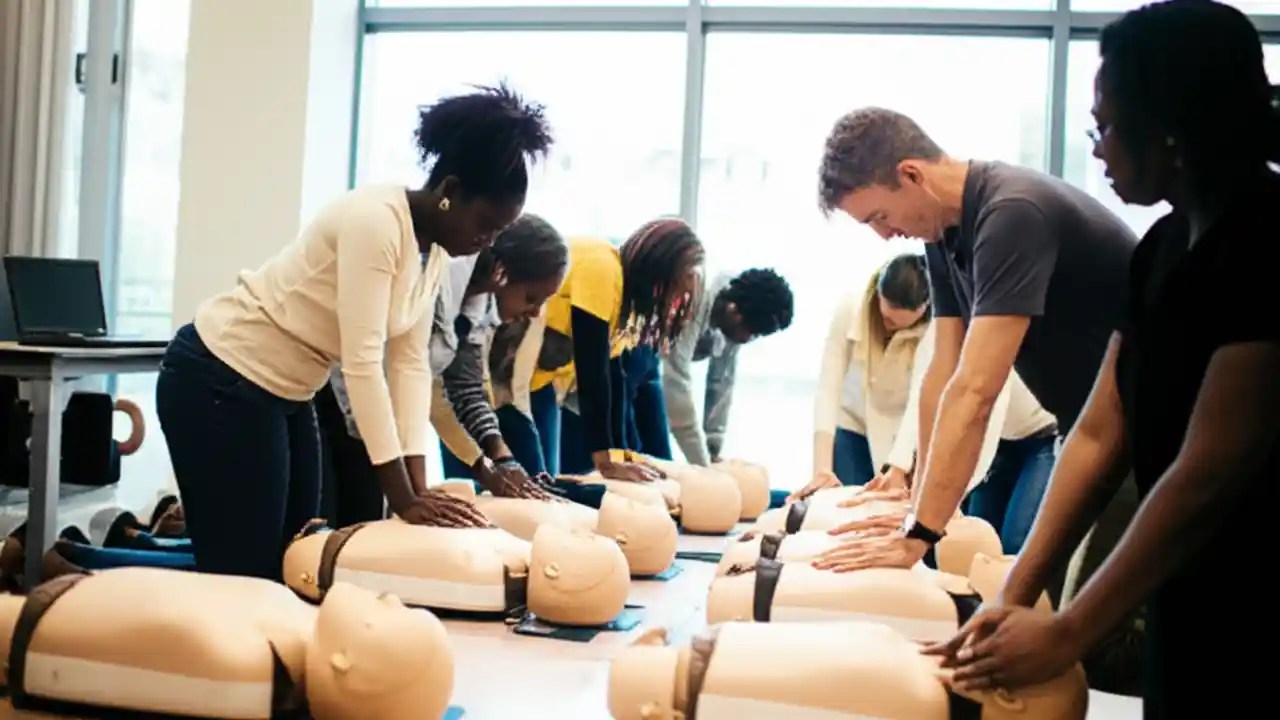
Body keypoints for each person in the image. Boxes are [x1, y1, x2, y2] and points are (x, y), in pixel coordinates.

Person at [924, 2, 1280, 714]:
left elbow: (1210, 470)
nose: (1097, 148)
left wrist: (1069, 631)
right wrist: (1013, 597)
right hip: (1190, 586)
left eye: (1107, 126)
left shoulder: (1267, 243)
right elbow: (1098, 431)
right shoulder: (1162, 250)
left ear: (1173, 130)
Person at [155, 83, 553, 580]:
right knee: (246, 572)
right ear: (450, 192)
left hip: (287, 391)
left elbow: (408, 365)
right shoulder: (377, 221)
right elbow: (364, 363)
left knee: (297, 559)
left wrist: (420, 488)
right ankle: (86, 575)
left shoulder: (432, 253)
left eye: (497, 234)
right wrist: (403, 499)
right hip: (220, 375)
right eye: (485, 225)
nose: (486, 243)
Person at [811, 98, 1137, 575]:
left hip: (1154, 434)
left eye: (879, 215)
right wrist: (915, 504)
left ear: (912, 175)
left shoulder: (1011, 214)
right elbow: (942, 373)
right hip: (1089, 429)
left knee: (1089, 614)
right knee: (1039, 597)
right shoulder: (942, 234)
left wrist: (921, 533)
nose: (883, 236)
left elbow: (977, 389)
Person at [792, 253, 1058, 554]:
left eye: (902, 322)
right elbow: (829, 388)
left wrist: (916, 479)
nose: (891, 327)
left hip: (1035, 437)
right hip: (866, 426)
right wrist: (823, 469)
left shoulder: (959, 329)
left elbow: (938, 400)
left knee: (1004, 544)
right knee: (854, 524)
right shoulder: (851, 309)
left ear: (926, 308)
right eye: (887, 318)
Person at [317, 214, 569, 527]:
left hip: (379, 415)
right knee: (338, 521)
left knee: (369, 518)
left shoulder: (478, 308)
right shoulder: (433, 280)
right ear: (501, 273)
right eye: (531, 298)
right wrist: (422, 489)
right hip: (339, 399)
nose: (534, 313)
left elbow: (465, 388)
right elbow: (426, 392)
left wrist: (503, 459)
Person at [500, 219, 706, 479]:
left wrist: (621, 454)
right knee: (526, 485)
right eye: (678, 286)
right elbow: (592, 366)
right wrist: (604, 456)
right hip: (502, 376)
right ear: (661, 269)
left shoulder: (629, 306)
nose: (676, 301)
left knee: (542, 483)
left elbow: (615, 377)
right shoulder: (604, 268)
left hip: (539, 385)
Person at [660, 267, 794, 466]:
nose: (749, 339)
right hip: (622, 349)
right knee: (649, 455)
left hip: (648, 363)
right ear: (734, 311)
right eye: (751, 333)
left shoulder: (736, 310)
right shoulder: (696, 296)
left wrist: (713, 448)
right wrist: (702, 463)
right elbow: (675, 381)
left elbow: (721, 382)